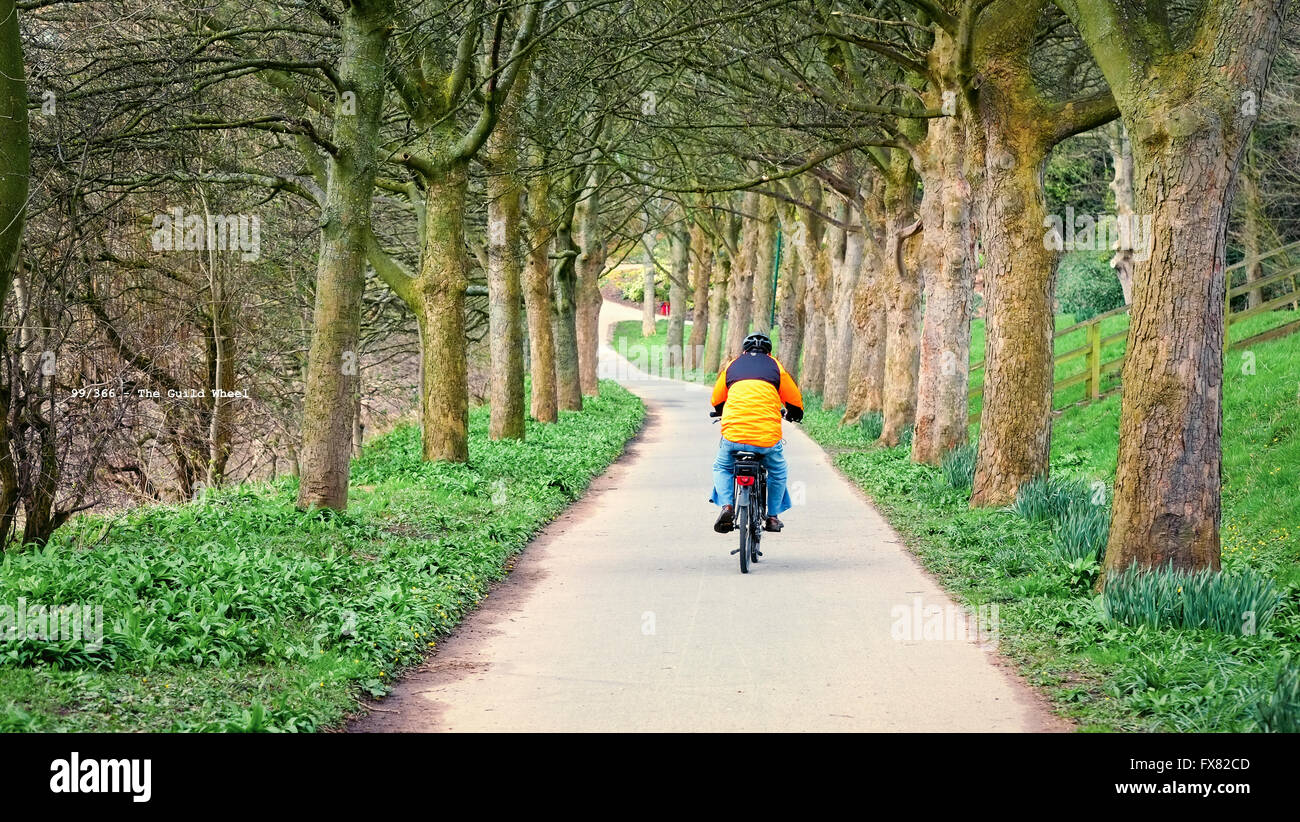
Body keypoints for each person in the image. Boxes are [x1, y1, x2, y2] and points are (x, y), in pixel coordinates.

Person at [709, 332, 803, 534]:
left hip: (733, 437)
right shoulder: (776, 367)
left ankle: (727, 506)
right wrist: (794, 413)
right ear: (769, 353)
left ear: (744, 350)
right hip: (766, 440)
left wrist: (721, 411)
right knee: (777, 472)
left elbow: (717, 399)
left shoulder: (732, 366)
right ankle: (772, 516)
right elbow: (794, 400)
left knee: (722, 468)